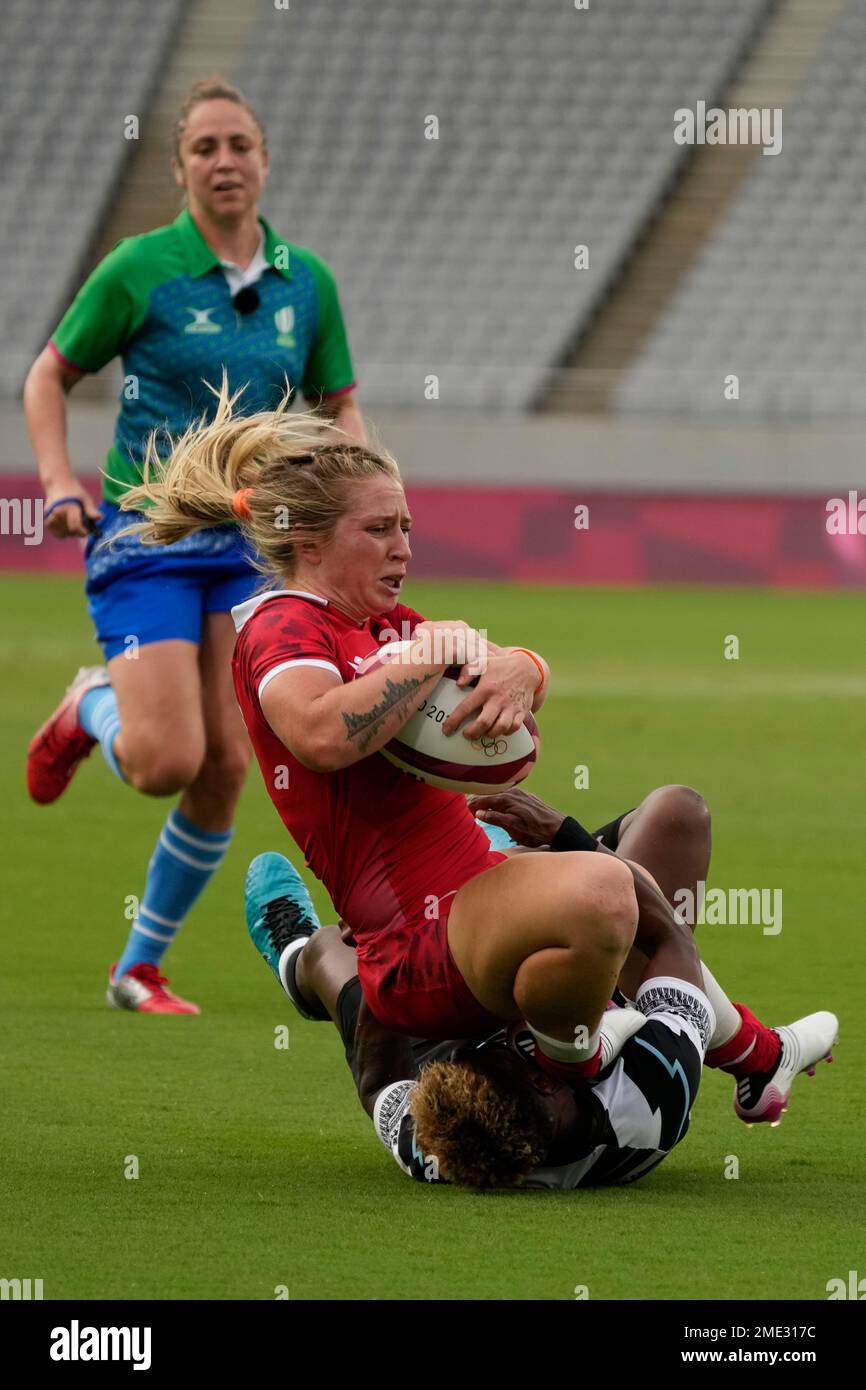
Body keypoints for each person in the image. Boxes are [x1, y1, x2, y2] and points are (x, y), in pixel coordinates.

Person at [120, 384, 646, 1077]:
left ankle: (748, 1052)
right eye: (379, 530)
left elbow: (488, 675)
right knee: (609, 890)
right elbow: (322, 734)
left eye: (407, 528)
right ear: (308, 541)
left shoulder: (388, 625)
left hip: (465, 890)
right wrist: (436, 651)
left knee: (659, 850)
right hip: (413, 938)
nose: (402, 549)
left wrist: (525, 668)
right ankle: (582, 1053)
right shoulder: (284, 625)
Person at [23, 77, 365, 1014]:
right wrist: (58, 482)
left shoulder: (309, 281)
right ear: (179, 167)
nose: (224, 161)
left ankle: (138, 969)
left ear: (264, 159)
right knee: (164, 760)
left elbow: (336, 407)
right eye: (205, 147)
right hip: (149, 531)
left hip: (251, 541)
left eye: (239, 145)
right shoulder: (140, 268)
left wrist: (363, 499)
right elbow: (48, 376)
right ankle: (89, 703)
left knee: (226, 767)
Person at [243, 785, 838, 1190]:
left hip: (426, 1037)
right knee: (677, 816)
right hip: (610, 1006)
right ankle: (760, 1057)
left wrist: (390, 937)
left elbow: (379, 1080)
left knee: (333, 959)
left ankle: (291, 957)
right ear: (542, 1080)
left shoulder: (435, 1139)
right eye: (512, 1044)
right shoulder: (653, 1094)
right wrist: (566, 837)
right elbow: (666, 940)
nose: (506, 1024)